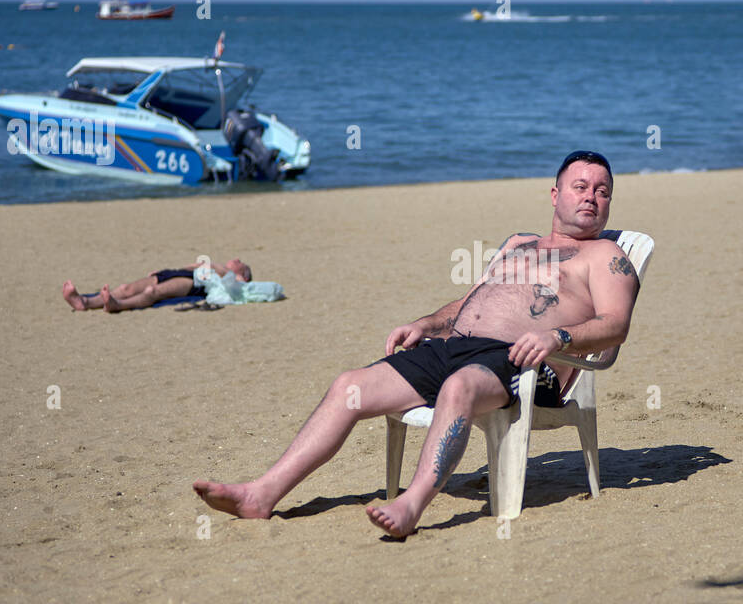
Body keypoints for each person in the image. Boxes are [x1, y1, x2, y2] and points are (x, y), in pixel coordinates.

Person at [193, 151, 641, 538]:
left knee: (458, 390)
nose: (591, 196)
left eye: (602, 191)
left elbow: (615, 325)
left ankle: (413, 503)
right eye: (580, 186)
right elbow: (473, 300)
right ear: (555, 193)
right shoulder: (518, 244)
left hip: (524, 363)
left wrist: (556, 336)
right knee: (350, 385)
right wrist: (427, 324)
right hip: (454, 348)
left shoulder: (606, 257)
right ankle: (261, 493)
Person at [62, 258, 252, 312]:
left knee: (153, 292)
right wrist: (165, 271)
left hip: (195, 283)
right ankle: (84, 302)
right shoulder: (217, 264)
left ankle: (117, 305)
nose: (236, 259)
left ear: (242, 272)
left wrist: (239, 277)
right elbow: (190, 265)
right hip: (181, 272)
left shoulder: (233, 277)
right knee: (126, 288)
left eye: (240, 262)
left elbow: (240, 287)